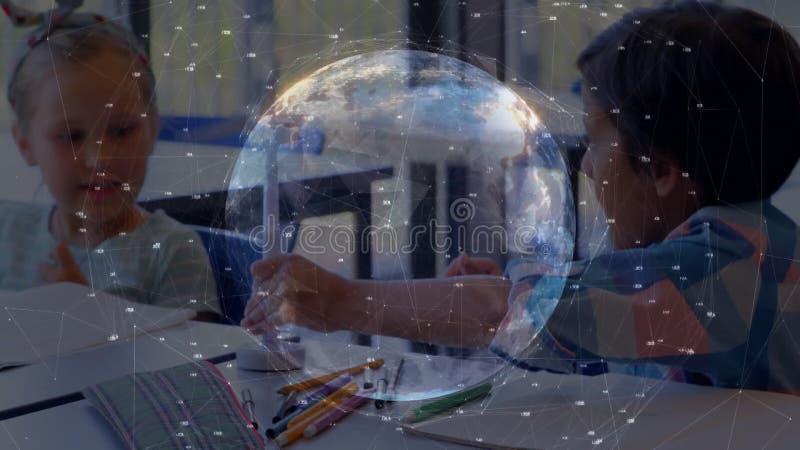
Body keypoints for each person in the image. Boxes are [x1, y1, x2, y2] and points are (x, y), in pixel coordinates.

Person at [241, 1, 800, 393]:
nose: (587, 165)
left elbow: (521, 314)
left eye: (595, 140)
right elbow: (607, 344)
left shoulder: (731, 273)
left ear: (661, 171)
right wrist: (505, 288)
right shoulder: (747, 248)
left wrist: (341, 300)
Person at [0, 2, 219, 316]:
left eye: (122, 130)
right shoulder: (6, 233)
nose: (99, 158)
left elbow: (194, 349)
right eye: (71, 136)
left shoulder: (172, 253)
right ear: (25, 144)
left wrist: (89, 317)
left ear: (153, 129)